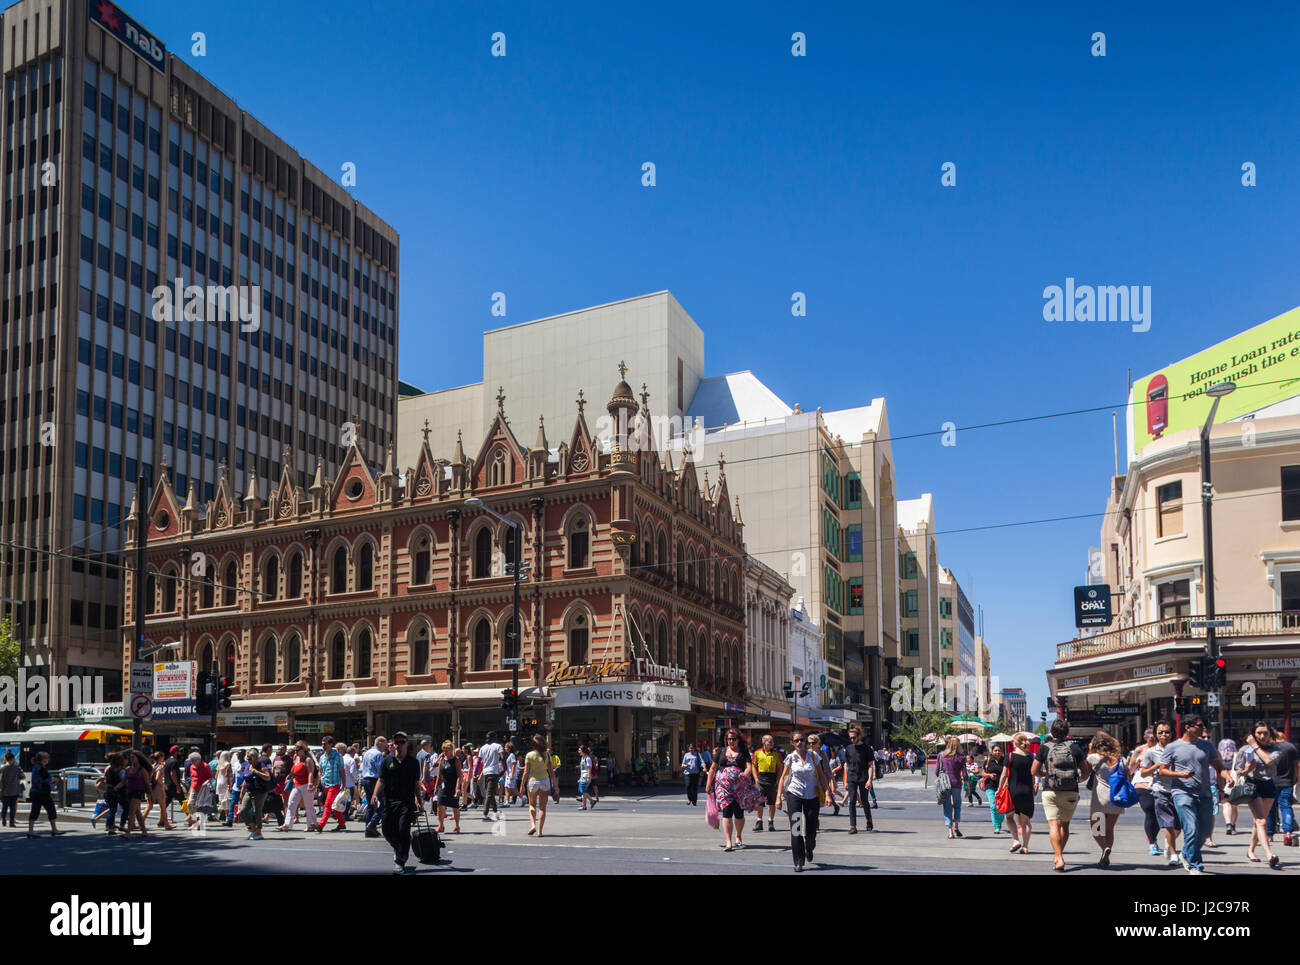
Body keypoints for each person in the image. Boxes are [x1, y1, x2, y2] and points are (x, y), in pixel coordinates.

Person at [1158, 715, 1229, 874]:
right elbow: (1162, 770)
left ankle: (1186, 853)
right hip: (1182, 792)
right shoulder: (1173, 747)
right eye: (1199, 725)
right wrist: (1179, 775)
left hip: (1204, 793)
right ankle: (1195, 865)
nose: (1202, 729)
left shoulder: (1207, 746)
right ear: (1187, 727)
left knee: (1204, 831)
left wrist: (1228, 777)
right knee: (1191, 828)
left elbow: (1219, 767)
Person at [1033, 718, 1089, 872]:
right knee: (1064, 825)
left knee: (1053, 825)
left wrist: (1044, 774)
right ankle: (1059, 854)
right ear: (1067, 733)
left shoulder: (1044, 748)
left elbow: (1034, 771)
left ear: (1052, 732)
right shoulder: (1075, 748)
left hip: (1050, 790)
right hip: (1071, 791)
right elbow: (1086, 772)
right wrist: (1079, 779)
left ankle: (1058, 857)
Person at [373, 731, 423, 874]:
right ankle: (397, 848)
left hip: (406, 803)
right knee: (386, 830)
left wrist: (419, 802)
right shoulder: (387, 761)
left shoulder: (413, 763)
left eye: (402, 742)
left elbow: (416, 784)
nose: (399, 745)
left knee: (403, 830)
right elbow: (381, 780)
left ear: (407, 743)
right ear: (393, 745)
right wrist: (375, 794)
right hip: (389, 802)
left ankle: (400, 861)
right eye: (397, 742)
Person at [775, 730, 822, 871]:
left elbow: (821, 774)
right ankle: (799, 861)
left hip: (812, 795)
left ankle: (809, 846)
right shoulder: (790, 758)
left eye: (802, 740)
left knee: (811, 828)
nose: (800, 742)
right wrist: (778, 797)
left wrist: (827, 792)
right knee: (796, 829)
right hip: (794, 794)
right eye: (796, 740)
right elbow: (783, 778)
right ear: (792, 743)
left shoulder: (814, 756)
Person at [707, 728, 760, 852]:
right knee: (727, 811)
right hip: (722, 786)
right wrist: (708, 784)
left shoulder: (743, 752)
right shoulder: (720, 751)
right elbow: (713, 768)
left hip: (740, 787)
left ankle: (738, 835)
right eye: (728, 739)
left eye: (733, 739)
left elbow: (749, 767)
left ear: (738, 739)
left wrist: (746, 774)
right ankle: (728, 842)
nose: (731, 741)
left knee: (739, 813)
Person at [1141, 720, 1182, 866]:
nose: (1164, 735)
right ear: (1156, 735)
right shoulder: (1151, 752)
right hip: (1160, 790)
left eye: (1167, 732)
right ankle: (1173, 854)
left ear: (1172, 734)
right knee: (1168, 823)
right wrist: (1157, 766)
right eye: (1160, 732)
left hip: (1178, 790)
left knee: (1179, 825)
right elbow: (1143, 772)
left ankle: (1168, 841)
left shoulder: (1179, 748)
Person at [1240, 722, 1282, 868]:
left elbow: (1269, 761)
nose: (1262, 736)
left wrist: (1256, 747)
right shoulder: (1246, 749)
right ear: (1253, 734)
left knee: (1258, 822)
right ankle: (1269, 854)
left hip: (1269, 785)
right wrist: (1245, 770)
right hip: (1252, 785)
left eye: (1265, 733)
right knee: (1261, 821)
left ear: (1270, 734)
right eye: (1259, 733)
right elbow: (1237, 769)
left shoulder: (1276, 749)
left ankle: (1251, 850)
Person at [1086, 731, 1126, 868]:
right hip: (1117, 797)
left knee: (1095, 828)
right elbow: (1128, 776)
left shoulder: (1094, 758)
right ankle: (1106, 852)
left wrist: (1090, 749)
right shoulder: (1121, 759)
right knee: (1109, 829)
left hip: (1100, 797)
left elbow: (1086, 769)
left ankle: (1104, 849)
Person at [1000, 733, 1035, 856]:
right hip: (1027, 791)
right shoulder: (1031, 757)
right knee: (1026, 822)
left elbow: (1004, 775)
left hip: (1013, 791)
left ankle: (1016, 840)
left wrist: (1000, 788)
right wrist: (1033, 789)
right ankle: (1025, 846)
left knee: (1009, 817)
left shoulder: (1009, 756)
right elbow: (1032, 776)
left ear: (1015, 743)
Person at [1264, 726, 1298, 846]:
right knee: (1286, 806)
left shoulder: (1268, 748)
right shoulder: (1291, 747)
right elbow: (1296, 766)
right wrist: (1294, 779)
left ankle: (1269, 834)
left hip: (1271, 781)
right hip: (1287, 781)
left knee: (1270, 809)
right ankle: (1288, 832)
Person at [1129, 729, 1161, 855]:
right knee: (1149, 809)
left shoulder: (1162, 749)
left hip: (1159, 783)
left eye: (1155, 739)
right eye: (1151, 739)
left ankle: (1152, 835)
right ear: (1145, 738)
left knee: (1158, 814)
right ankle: (1152, 843)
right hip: (1141, 782)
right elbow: (1131, 768)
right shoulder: (1139, 750)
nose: (1153, 741)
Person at [278, 745, 320, 832]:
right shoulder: (296, 758)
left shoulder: (308, 760)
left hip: (306, 784)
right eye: (294, 750)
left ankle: (311, 825)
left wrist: (310, 784)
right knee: (291, 803)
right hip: (296, 784)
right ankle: (287, 825)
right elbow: (293, 770)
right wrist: (289, 777)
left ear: (303, 750)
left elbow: (310, 773)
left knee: (308, 806)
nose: (295, 752)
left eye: (297, 750)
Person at [843, 725, 875, 833]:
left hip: (863, 778)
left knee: (865, 801)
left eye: (854, 738)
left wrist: (869, 780)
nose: (852, 740)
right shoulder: (848, 748)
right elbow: (846, 765)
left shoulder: (867, 749)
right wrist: (846, 780)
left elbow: (870, 765)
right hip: (851, 777)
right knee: (852, 801)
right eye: (850, 738)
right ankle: (853, 826)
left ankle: (869, 821)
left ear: (859, 736)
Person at [523, 734, 556, 836]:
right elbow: (551, 772)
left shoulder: (529, 755)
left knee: (532, 805)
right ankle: (540, 831)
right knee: (542, 807)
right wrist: (556, 785)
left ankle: (533, 825)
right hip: (544, 781)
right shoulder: (547, 755)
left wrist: (521, 785)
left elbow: (526, 772)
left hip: (533, 781)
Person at [25, 751, 63, 837]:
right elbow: (45, 779)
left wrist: (51, 780)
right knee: (51, 809)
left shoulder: (36, 767)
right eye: (47, 758)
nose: (48, 759)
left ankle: (30, 831)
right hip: (42, 792)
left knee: (35, 810)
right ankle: (54, 829)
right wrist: (54, 780)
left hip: (35, 792)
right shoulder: (41, 768)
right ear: (43, 759)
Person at [238, 747, 273, 840]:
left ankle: (259, 832)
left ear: (255, 758)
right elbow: (246, 779)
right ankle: (254, 829)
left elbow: (268, 777)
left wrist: (256, 772)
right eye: (247, 758)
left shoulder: (261, 765)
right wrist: (242, 791)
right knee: (243, 811)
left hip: (259, 792)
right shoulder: (247, 765)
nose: (248, 760)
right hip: (249, 791)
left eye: (250, 758)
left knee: (256, 812)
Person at [935, 736, 966, 838]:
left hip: (945, 784)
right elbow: (965, 774)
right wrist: (968, 787)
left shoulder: (941, 755)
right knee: (957, 805)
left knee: (947, 806)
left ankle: (950, 832)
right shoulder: (961, 757)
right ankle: (957, 827)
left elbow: (936, 771)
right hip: (957, 783)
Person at [316, 736, 347, 831]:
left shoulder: (338, 756)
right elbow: (320, 771)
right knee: (333, 806)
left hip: (335, 784)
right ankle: (342, 823)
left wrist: (344, 785)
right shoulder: (322, 757)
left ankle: (321, 824)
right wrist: (318, 783)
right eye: (322, 744)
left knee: (328, 804)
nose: (323, 746)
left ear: (330, 745)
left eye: (325, 744)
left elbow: (342, 771)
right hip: (325, 784)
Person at [752, 734, 780, 831]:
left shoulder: (776, 754)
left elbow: (780, 768)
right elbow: (753, 766)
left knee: (772, 802)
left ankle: (771, 822)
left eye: (772, 741)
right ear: (764, 742)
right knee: (760, 802)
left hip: (772, 779)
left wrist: (778, 780)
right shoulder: (757, 753)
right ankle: (759, 822)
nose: (772, 743)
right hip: (761, 779)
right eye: (770, 741)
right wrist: (756, 779)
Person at [434, 740, 461, 833]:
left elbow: (459, 775)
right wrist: (435, 786)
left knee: (455, 806)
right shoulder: (441, 759)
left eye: (447, 750)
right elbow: (438, 774)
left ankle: (457, 826)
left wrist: (457, 787)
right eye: (443, 749)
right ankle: (441, 826)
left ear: (451, 750)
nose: (445, 751)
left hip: (453, 786)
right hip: (443, 786)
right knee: (439, 805)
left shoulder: (455, 760)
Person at [361, 736, 387, 837]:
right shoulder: (378, 754)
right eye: (384, 743)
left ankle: (368, 830)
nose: (385, 746)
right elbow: (380, 769)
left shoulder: (367, 752)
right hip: (374, 780)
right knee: (382, 803)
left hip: (366, 779)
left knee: (370, 805)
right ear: (379, 743)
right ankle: (373, 823)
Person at [980, 743, 1006, 833]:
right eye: (995, 750)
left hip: (1002, 787)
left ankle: (999, 821)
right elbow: (982, 773)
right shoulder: (988, 761)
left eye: (999, 750)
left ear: (1002, 752)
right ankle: (996, 826)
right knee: (993, 806)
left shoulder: (1005, 761)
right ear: (992, 751)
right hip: (990, 786)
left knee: (1002, 807)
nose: (997, 752)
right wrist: (989, 775)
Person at [1217, 739, 1240, 836]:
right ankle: (1233, 825)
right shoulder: (1237, 756)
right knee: (1234, 806)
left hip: (1223, 783)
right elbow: (1240, 770)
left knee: (1225, 804)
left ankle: (1228, 824)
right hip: (1234, 784)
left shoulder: (1218, 757)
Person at [185, 751, 213, 829]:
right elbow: (193, 778)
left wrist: (206, 782)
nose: (192, 762)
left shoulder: (206, 766)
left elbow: (210, 777)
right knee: (190, 804)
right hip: (194, 788)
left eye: (193, 761)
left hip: (203, 790)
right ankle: (196, 822)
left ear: (198, 759)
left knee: (200, 807)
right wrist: (190, 789)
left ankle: (198, 823)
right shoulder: (191, 766)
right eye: (191, 761)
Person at [479, 731, 504, 819]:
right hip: (494, 772)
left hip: (486, 772)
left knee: (490, 792)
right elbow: (502, 757)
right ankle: (485, 813)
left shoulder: (483, 748)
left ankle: (496, 811)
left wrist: (476, 773)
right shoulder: (498, 746)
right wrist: (504, 769)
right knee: (489, 794)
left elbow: (479, 761)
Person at [0, 750, 21, 828]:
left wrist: (1, 789)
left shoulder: (2, 768)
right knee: (13, 808)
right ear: (12, 759)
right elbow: (21, 776)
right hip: (14, 790)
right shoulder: (17, 768)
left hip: (5, 791)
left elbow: (1, 780)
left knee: (4, 807)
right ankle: (11, 822)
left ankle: (3, 819)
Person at [576, 743, 598, 810]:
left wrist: (588, 776)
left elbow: (589, 768)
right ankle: (587, 804)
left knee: (582, 790)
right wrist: (580, 777)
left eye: (579, 750)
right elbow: (582, 769)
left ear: (583, 751)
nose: (578, 751)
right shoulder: (582, 758)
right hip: (583, 776)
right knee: (582, 790)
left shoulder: (587, 758)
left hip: (586, 776)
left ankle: (587, 803)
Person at [214, 750, 233, 825]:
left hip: (219, 783)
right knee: (227, 801)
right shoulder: (228, 764)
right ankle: (226, 817)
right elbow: (227, 775)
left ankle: (225, 816)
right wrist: (229, 785)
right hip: (225, 783)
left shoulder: (219, 764)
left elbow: (215, 776)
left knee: (223, 801)